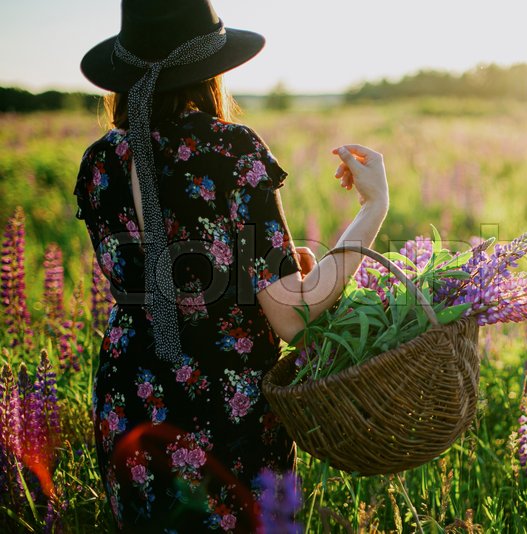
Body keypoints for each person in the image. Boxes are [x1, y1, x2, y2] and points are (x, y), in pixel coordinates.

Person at [75, 0, 389, 530]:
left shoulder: (99, 161)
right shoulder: (231, 151)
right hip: (224, 417)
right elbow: (293, 315)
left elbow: (161, 277)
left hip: (127, 406)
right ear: (210, 72)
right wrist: (372, 208)